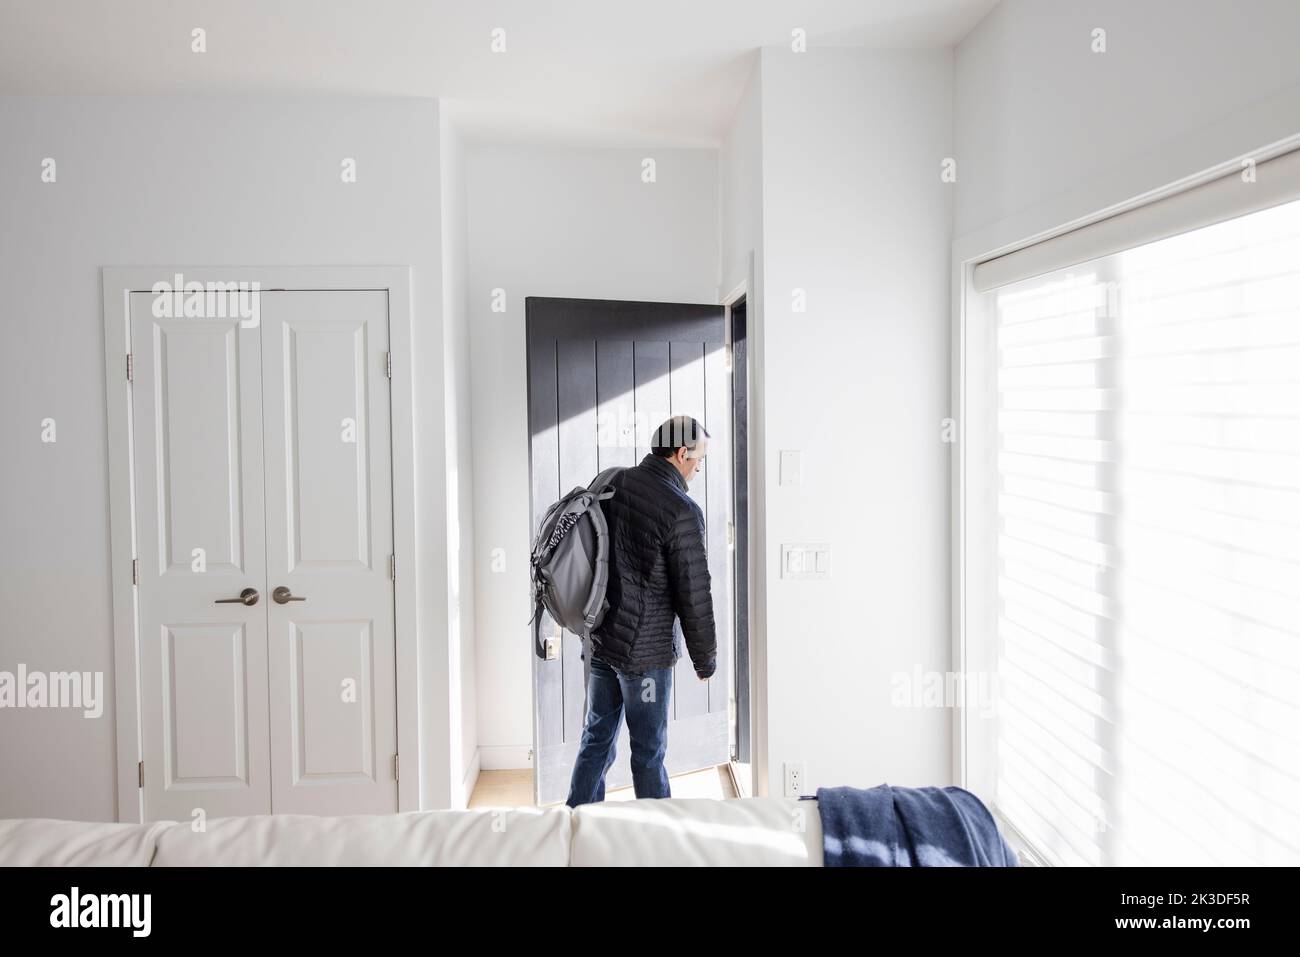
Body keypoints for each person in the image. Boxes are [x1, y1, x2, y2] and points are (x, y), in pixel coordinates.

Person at [565, 415, 717, 807]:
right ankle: (659, 840)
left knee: (596, 738)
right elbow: (694, 595)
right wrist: (705, 660)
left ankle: (573, 824)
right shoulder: (682, 511)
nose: (699, 465)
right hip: (644, 657)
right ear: (682, 453)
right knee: (649, 752)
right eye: (699, 456)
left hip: (599, 642)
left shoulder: (614, 483)